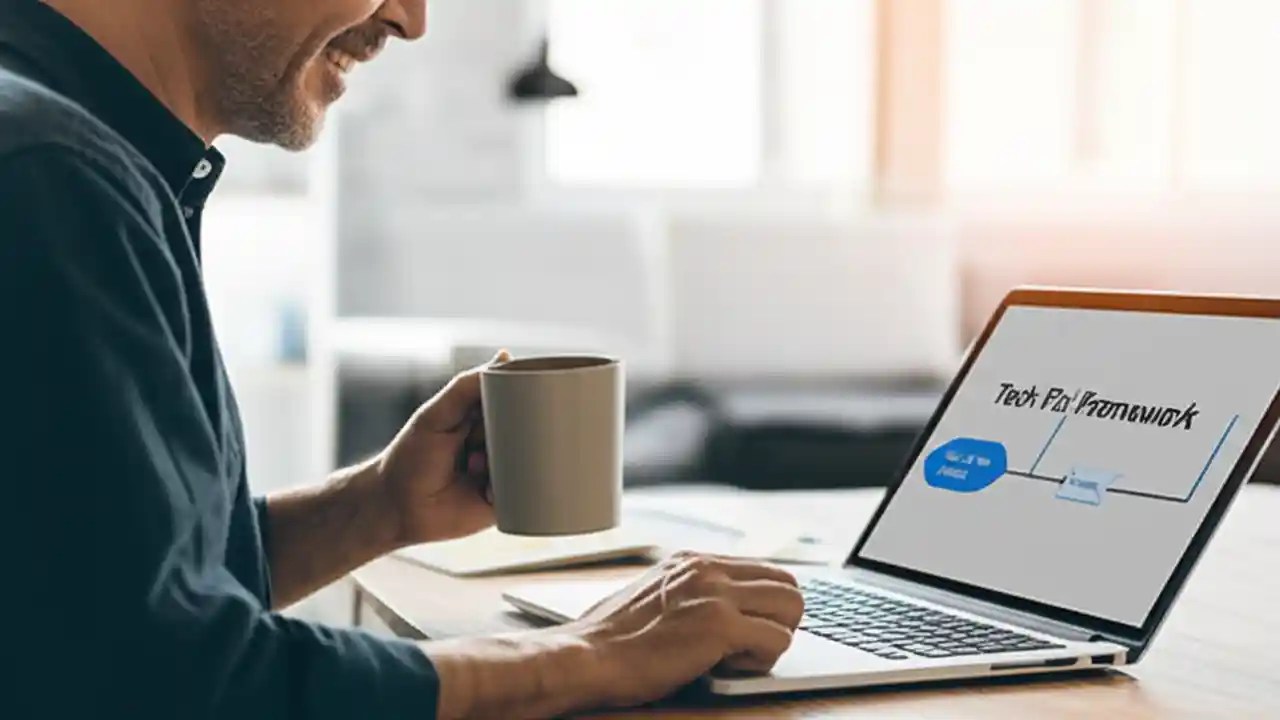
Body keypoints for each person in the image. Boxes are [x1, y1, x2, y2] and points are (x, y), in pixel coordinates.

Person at [0, 0, 804, 717]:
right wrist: (590, 655)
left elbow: (99, 608)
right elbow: (173, 688)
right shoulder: (48, 174)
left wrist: (378, 505)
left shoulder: (71, 152)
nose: (411, 20)